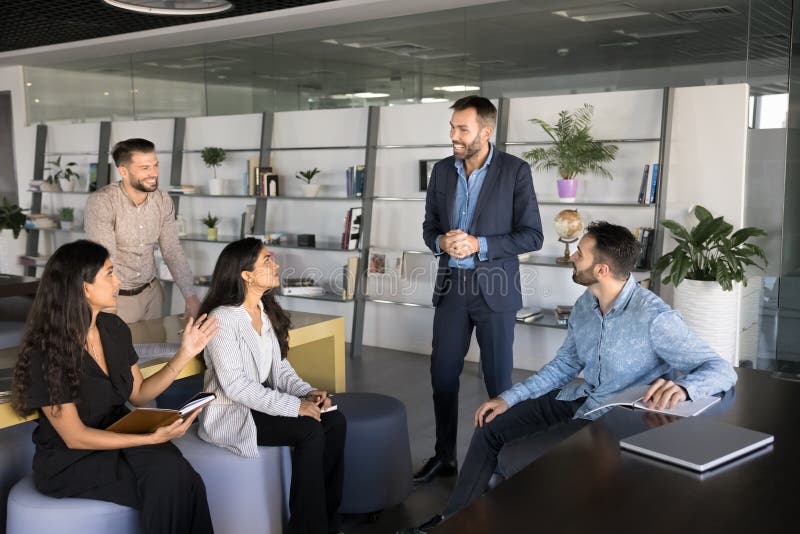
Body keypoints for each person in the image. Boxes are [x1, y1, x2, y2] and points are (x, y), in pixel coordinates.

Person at [400, 221, 738, 533]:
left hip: (611, 419)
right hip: (578, 398)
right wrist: (508, 397)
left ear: (601, 269)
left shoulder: (655, 319)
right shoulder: (584, 305)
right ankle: (451, 521)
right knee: (490, 425)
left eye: (579, 253)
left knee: (516, 458)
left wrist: (683, 386)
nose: (572, 258)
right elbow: (564, 366)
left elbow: (721, 369)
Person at [11, 239, 219, 534]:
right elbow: (76, 437)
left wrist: (185, 353)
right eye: (110, 273)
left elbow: (139, 393)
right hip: (72, 461)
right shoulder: (48, 352)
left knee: (185, 479)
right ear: (84, 288)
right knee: (169, 478)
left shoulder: (114, 329)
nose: (118, 280)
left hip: (120, 438)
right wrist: (149, 440)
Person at [417, 95, 544, 484]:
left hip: (495, 290)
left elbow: (532, 235)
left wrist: (479, 244)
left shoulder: (515, 171)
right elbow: (429, 228)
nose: (454, 135)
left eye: (462, 129)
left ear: (485, 132)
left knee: (498, 381)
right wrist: (442, 243)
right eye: (453, 127)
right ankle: (444, 456)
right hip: (452, 286)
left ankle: (499, 461)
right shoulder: (441, 171)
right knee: (442, 376)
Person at [196, 238, 347, 534]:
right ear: (246, 275)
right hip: (234, 413)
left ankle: (328, 521)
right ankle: (307, 528)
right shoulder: (222, 319)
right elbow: (236, 386)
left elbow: (279, 368)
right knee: (308, 429)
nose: (275, 265)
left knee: (335, 421)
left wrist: (306, 393)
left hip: (260, 404)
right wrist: (295, 407)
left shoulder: (263, 310)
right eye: (267, 260)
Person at [85, 138, 200, 323]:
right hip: (117, 299)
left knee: (156, 350)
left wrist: (190, 296)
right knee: (120, 351)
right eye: (145, 168)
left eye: (155, 165)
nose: (153, 173)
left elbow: (172, 250)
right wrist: (110, 305)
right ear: (123, 171)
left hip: (152, 294)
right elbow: (105, 259)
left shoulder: (162, 201)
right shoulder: (102, 202)